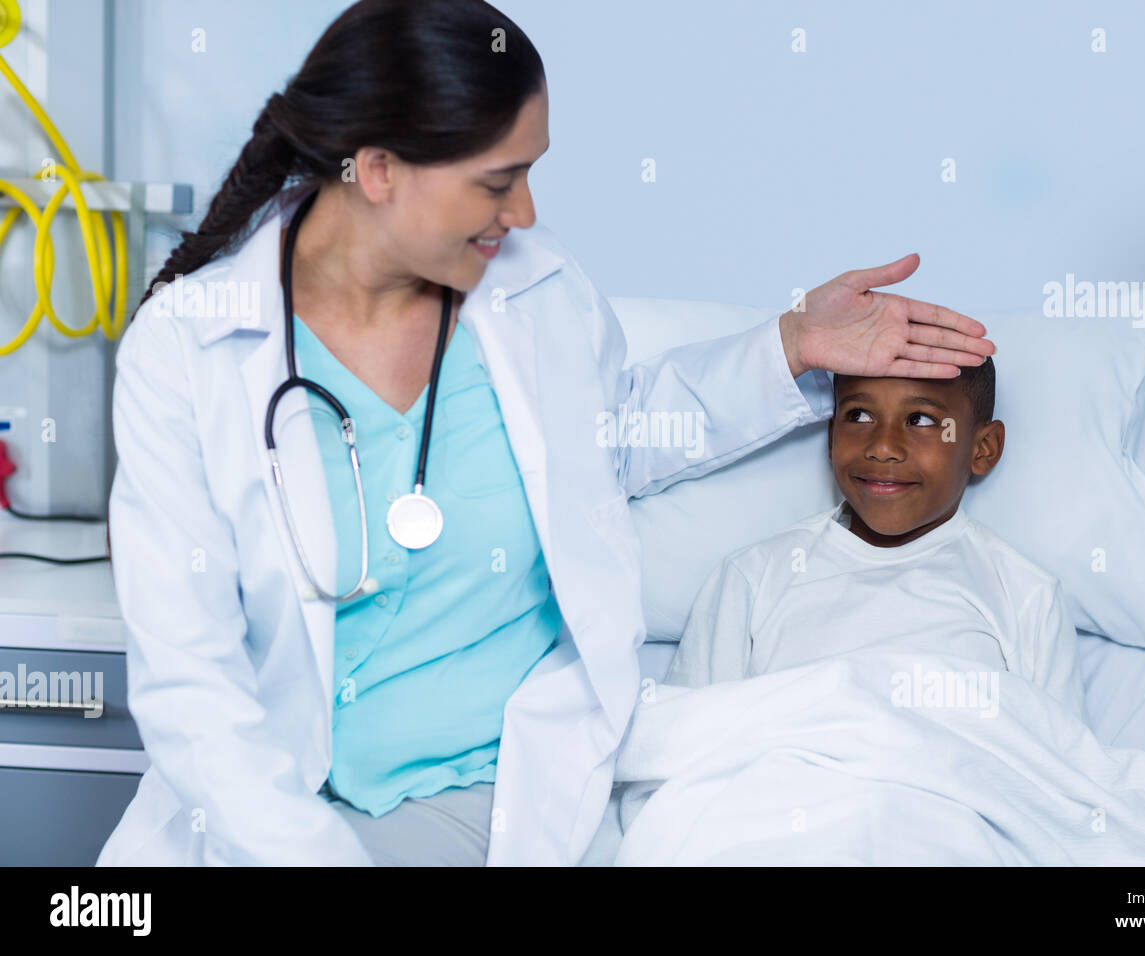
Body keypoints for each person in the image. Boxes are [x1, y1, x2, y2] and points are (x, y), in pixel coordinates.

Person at [96, 0, 994, 867]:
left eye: (531, 172)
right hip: (263, 806)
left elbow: (608, 441)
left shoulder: (533, 290)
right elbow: (191, 681)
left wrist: (790, 345)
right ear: (376, 171)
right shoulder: (189, 348)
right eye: (497, 181)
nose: (524, 214)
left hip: (487, 793)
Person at [667, 358, 1087, 722]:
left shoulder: (1025, 595)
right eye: (859, 417)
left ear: (983, 448)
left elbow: (1061, 771)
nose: (883, 447)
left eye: (921, 421)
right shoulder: (753, 577)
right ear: (832, 436)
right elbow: (683, 739)